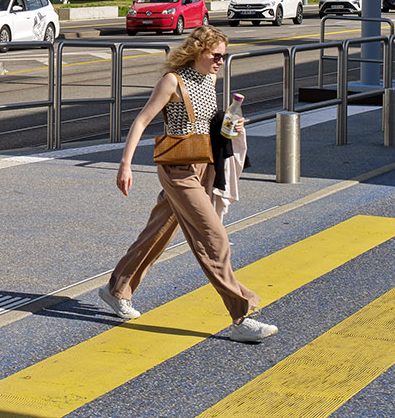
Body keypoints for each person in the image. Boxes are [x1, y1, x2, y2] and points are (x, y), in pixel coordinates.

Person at [99, 25, 277, 342]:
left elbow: (208, 124)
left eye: (225, 55)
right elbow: (142, 120)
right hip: (177, 168)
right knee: (213, 238)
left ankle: (118, 289)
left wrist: (230, 124)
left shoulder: (209, 79)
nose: (222, 60)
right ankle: (242, 314)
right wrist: (125, 165)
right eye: (216, 55)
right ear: (198, 51)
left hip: (203, 163)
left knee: (158, 232)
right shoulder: (173, 81)